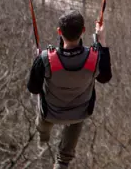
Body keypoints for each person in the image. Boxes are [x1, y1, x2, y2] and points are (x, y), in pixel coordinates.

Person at [28, 10, 113, 169]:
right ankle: (63, 161)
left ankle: (43, 133)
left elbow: (33, 88)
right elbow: (105, 77)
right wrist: (102, 42)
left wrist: (38, 62)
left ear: (59, 32)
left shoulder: (46, 59)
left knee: (43, 102)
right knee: (77, 113)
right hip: (79, 112)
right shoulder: (94, 58)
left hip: (50, 113)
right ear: (83, 31)